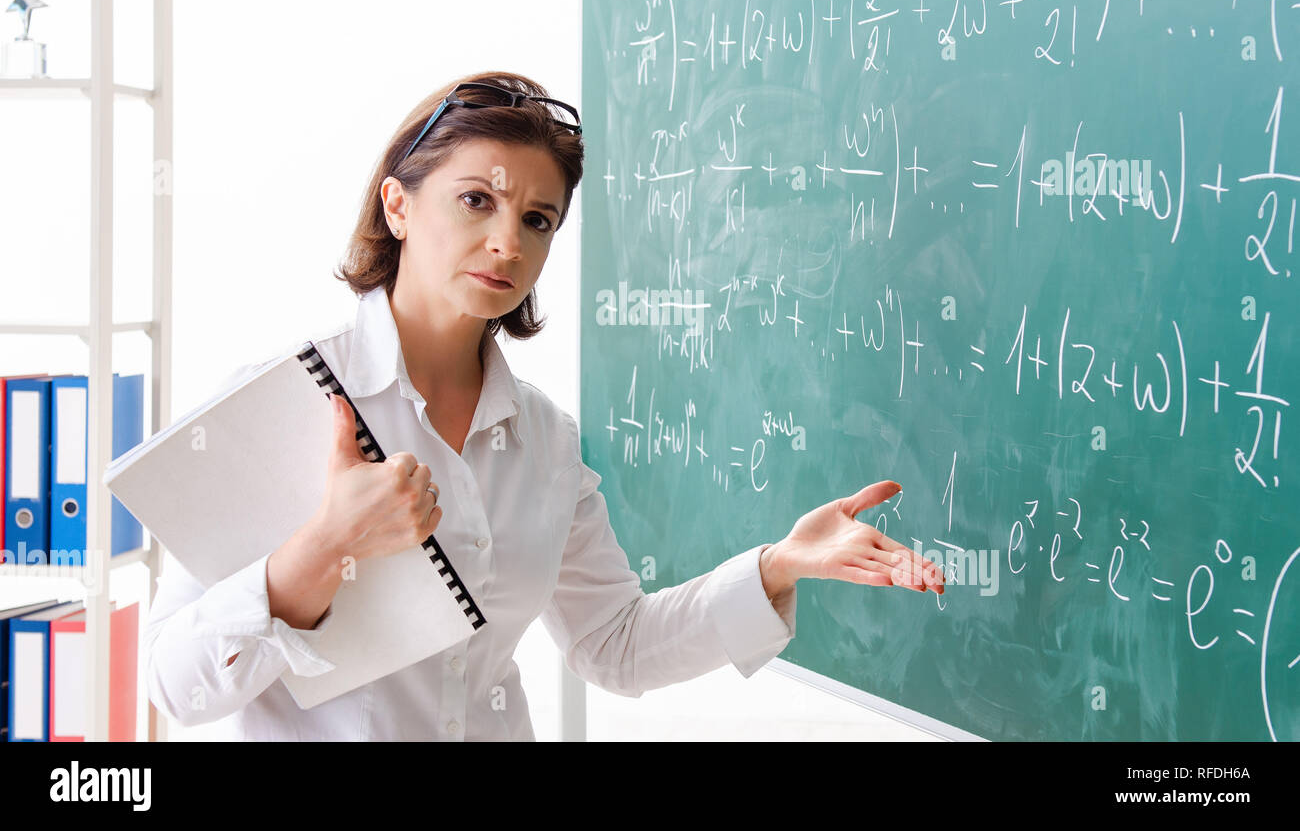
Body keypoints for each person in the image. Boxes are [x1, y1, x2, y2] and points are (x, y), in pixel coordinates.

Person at [143, 70, 944, 741]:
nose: (508, 243)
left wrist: (777, 565)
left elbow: (615, 644)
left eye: (538, 219)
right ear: (398, 206)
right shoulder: (286, 398)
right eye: (475, 202)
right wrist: (325, 545)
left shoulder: (544, 439)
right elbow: (175, 687)